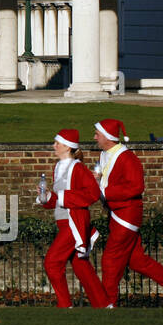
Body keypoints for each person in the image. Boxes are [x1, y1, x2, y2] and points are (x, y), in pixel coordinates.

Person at [93, 119, 163, 309]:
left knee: (110, 260)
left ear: (108, 136)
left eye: (97, 133)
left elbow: (136, 187)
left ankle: (107, 304)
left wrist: (106, 191)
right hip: (117, 214)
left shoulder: (127, 157)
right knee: (136, 261)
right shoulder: (105, 155)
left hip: (127, 217)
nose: (94, 137)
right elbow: (106, 182)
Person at [38, 129, 108, 308]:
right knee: (81, 266)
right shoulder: (58, 166)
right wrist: (45, 197)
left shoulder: (77, 167)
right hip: (64, 222)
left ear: (68, 147)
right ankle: (104, 305)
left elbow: (92, 194)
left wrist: (62, 197)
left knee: (52, 262)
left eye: (58, 143)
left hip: (73, 222)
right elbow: (59, 199)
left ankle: (64, 304)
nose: (54, 146)